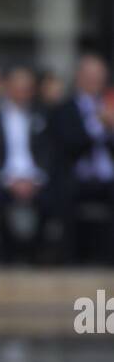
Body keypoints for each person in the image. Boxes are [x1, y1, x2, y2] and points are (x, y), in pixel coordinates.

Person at [0, 64, 55, 263]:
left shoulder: (42, 114)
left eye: (28, 88)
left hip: (35, 180)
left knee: (57, 194)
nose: (24, 93)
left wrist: (36, 179)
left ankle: (41, 256)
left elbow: (49, 152)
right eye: (19, 87)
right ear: (7, 87)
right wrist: (8, 180)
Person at [47, 52, 114, 264]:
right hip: (75, 176)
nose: (96, 81)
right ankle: (70, 261)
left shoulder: (109, 106)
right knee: (65, 194)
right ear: (79, 77)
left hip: (107, 178)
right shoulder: (64, 109)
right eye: (91, 76)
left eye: (100, 76)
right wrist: (98, 126)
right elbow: (70, 145)